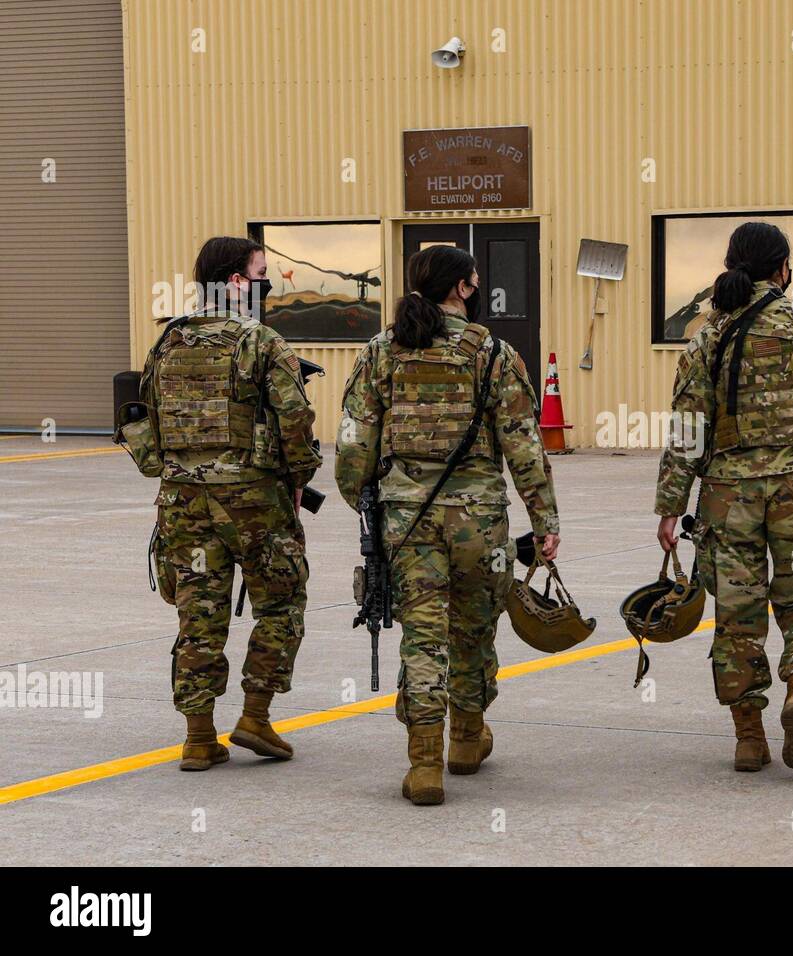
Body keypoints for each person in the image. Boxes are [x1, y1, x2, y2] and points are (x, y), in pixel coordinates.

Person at [335, 245, 559, 806]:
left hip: (407, 524)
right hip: (480, 524)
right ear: (461, 287)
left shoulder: (381, 352)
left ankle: (425, 764)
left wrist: (369, 501)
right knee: (474, 630)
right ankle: (465, 738)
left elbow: (353, 444)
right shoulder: (496, 354)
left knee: (423, 636)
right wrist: (545, 519)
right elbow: (523, 446)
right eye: (474, 276)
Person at [655, 222, 793, 773]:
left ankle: (749, 736)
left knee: (738, 615)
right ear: (782, 269)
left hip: (727, 498)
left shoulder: (710, 334)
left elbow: (688, 427)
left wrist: (670, 504)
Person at [136, 236, 321, 771]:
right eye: (261, 273)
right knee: (281, 604)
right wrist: (298, 477)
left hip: (183, 502)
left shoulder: (168, 344)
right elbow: (295, 421)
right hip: (254, 502)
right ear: (238, 281)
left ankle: (197, 737)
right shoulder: (261, 342)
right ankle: (255, 717)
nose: (266, 282)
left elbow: (146, 422)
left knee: (199, 612)